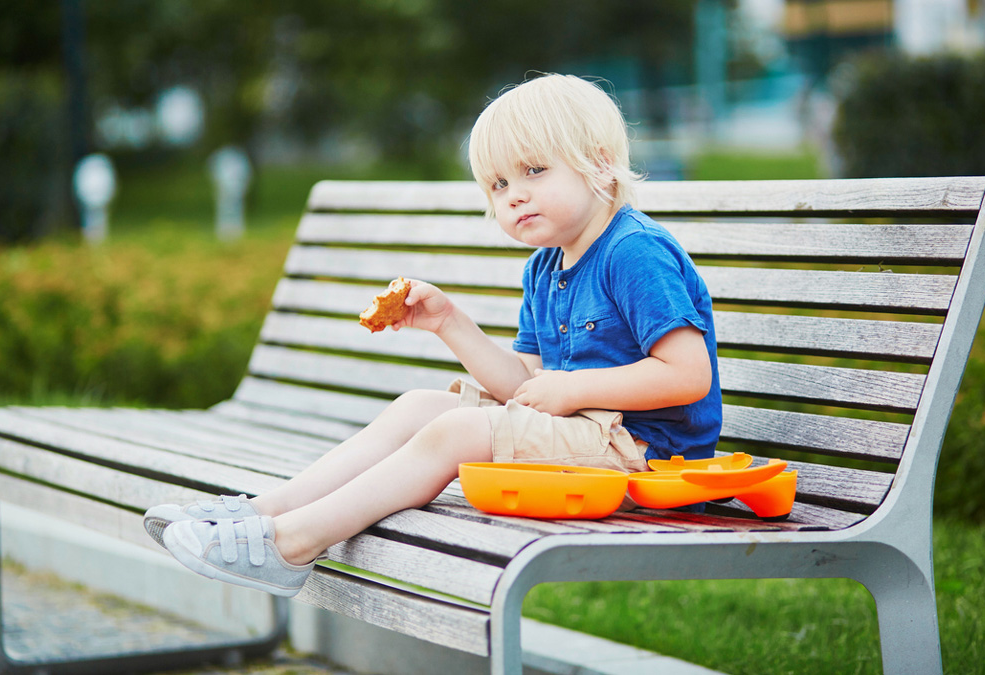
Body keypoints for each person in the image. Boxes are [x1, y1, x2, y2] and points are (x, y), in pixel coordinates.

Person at [143, 73, 722, 597]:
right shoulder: (546, 267)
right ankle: (262, 511)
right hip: (584, 439)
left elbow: (687, 376)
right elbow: (520, 386)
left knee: (455, 431)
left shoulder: (633, 251)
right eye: (497, 185)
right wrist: (450, 322)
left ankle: (289, 546)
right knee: (421, 406)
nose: (513, 195)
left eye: (534, 171)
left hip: (645, 458)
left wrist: (572, 392)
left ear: (597, 163)